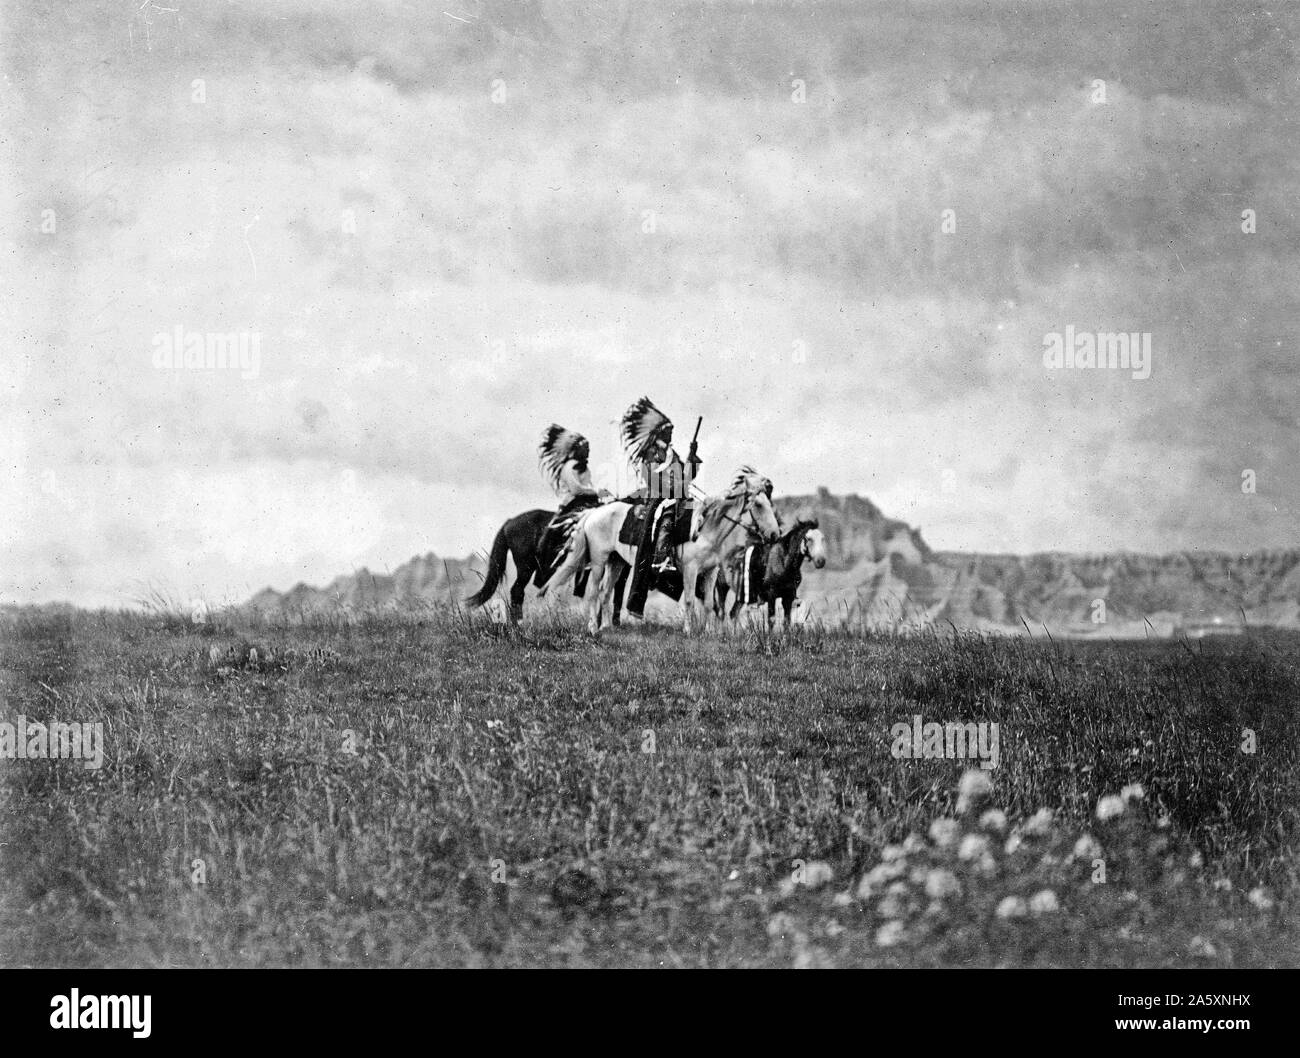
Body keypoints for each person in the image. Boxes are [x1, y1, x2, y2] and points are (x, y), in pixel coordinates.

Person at [620, 397, 702, 617]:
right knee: (665, 519)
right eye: (668, 431)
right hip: (659, 497)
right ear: (659, 433)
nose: (671, 434)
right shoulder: (651, 453)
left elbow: (686, 477)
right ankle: (660, 558)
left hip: (676, 496)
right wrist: (674, 489)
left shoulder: (672, 453)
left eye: (672, 431)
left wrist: (692, 457)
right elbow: (652, 479)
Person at [535, 425, 606, 588]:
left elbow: (588, 486)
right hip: (572, 502)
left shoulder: (584, 467)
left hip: (586, 500)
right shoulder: (569, 466)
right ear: (576, 449)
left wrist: (600, 493)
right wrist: (595, 492)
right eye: (585, 447)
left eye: (588, 447)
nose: (588, 450)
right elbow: (576, 489)